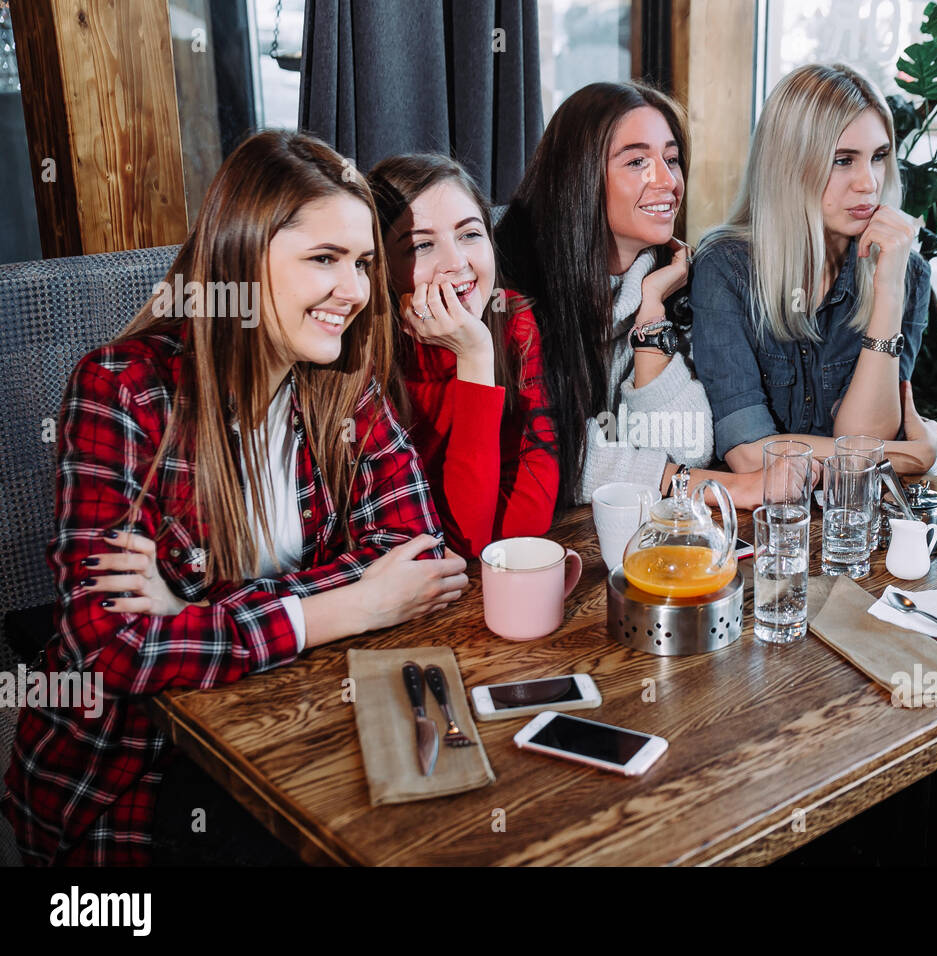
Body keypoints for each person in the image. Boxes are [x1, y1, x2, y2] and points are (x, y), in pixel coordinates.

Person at [2, 130, 469, 866]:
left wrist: (188, 617)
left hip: (287, 732)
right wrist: (348, 606)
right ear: (242, 262)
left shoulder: (345, 381)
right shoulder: (124, 390)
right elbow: (109, 650)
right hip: (130, 777)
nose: (354, 291)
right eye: (324, 259)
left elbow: (420, 559)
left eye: (363, 263)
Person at [494, 81, 765, 508]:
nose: (667, 180)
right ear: (578, 175)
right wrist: (732, 488)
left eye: (671, 159)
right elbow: (556, 456)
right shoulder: (506, 275)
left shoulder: (672, 281)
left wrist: (650, 316)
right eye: (638, 161)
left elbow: (687, 447)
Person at [691, 63, 937, 475]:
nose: (868, 183)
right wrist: (911, 455)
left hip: (850, 520)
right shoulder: (727, 266)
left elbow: (864, 437)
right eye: (843, 160)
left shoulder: (904, 271)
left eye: (878, 157)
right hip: (754, 525)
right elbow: (749, 453)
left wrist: (890, 291)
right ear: (789, 166)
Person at [370, 153, 559, 558]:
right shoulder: (370, 354)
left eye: (470, 235)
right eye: (422, 244)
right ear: (382, 269)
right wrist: (474, 355)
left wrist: (476, 351)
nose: (457, 263)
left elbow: (534, 509)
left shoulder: (512, 318)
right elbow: (463, 537)